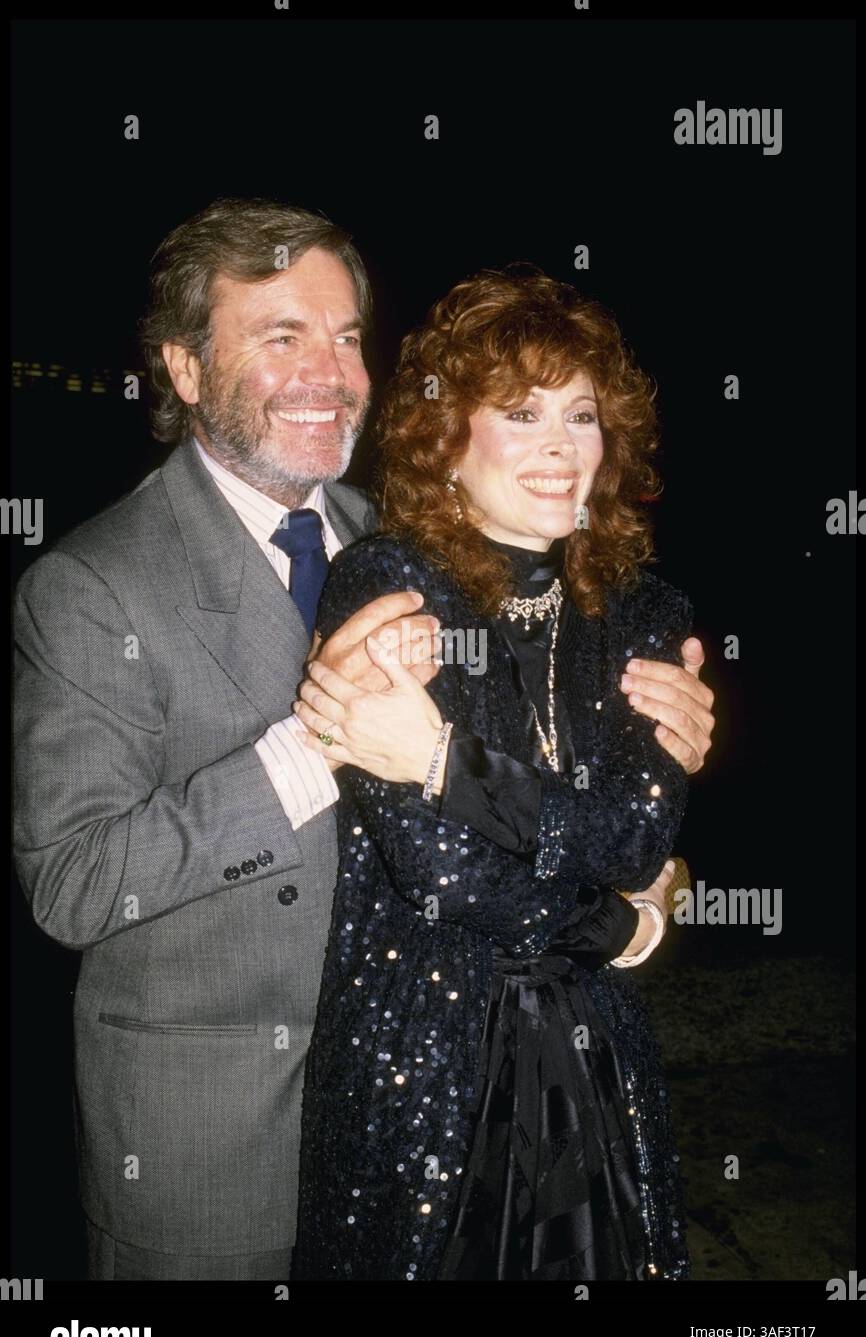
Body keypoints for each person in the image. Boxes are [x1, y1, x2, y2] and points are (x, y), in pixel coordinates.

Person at [12, 198, 713, 1280]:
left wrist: (657, 832)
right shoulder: (91, 585)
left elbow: (542, 785)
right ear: (185, 371)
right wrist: (311, 744)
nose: (327, 372)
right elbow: (73, 880)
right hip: (216, 1144)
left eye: (343, 338)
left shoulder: (405, 540)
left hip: (418, 1111)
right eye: (279, 336)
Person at [290, 265, 703, 1280]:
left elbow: (639, 836)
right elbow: (439, 874)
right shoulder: (383, 582)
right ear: (447, 438)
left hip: (592, 1054)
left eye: (581, 414)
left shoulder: (642, 610)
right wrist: (624, 924)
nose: (562, 449)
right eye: (520, 413)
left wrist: (439, 759)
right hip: (421, 1050)